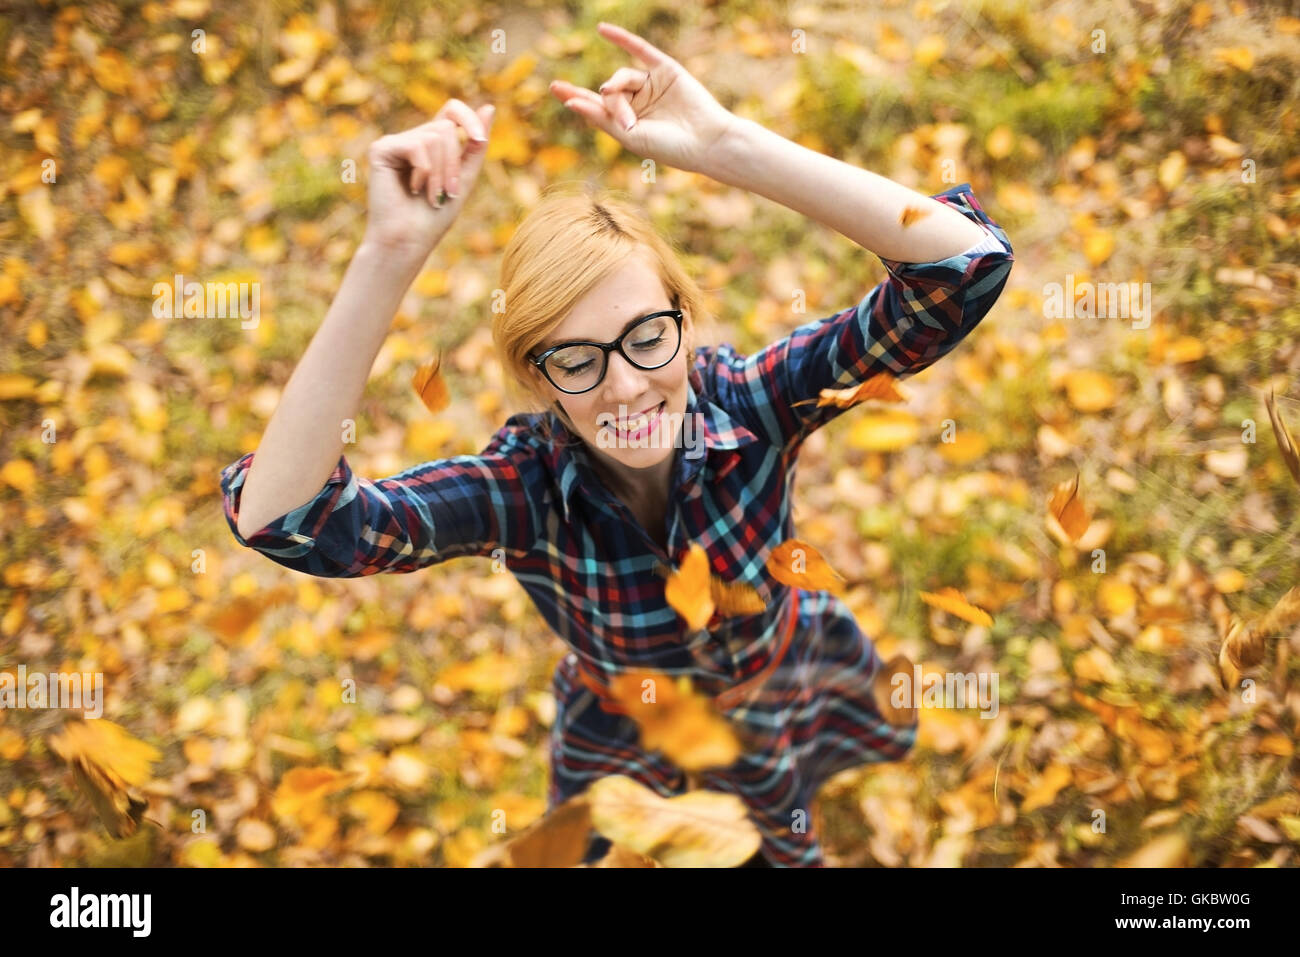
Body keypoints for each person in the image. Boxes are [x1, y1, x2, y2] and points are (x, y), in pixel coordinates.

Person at [220, 22, 1014, 867]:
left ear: (685, 318)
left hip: (778, 684)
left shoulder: (757, 402)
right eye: (576, 358)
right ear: (535, 376)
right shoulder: (521, 493)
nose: (627, 386)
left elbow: (962, 270)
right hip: (627, 735)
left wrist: (726, 145)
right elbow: (290, 519)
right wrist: (389, 251)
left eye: (647, 336)